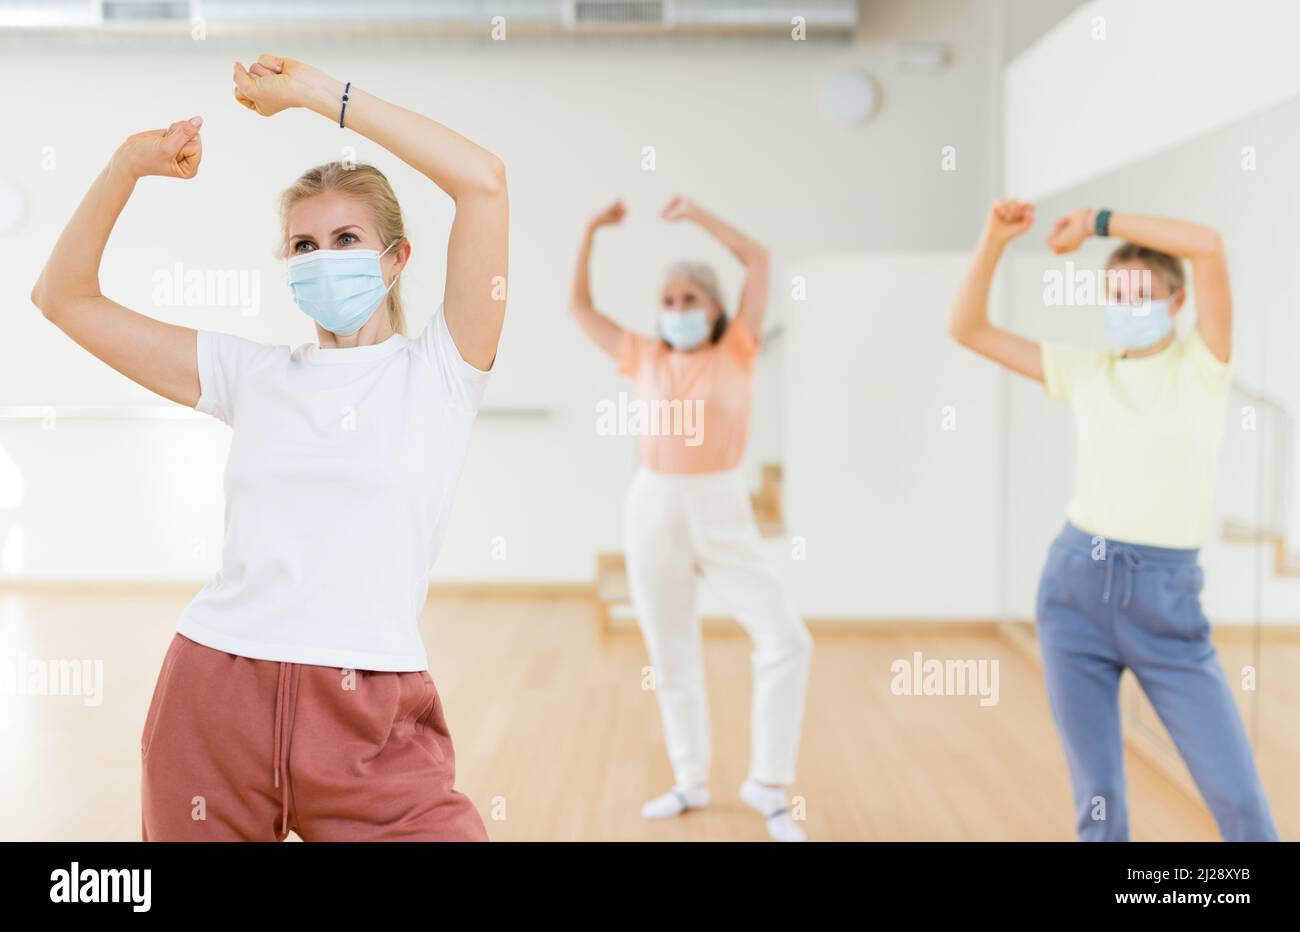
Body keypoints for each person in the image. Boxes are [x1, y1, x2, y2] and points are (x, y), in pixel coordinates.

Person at [29, 53, 508, 840]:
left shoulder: (444, 372)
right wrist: (127, 165)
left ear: (396, 260)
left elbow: (484, 180)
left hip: (372, 725)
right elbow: (64, 297)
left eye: (346, 237)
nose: (323, 259)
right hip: (214, 703)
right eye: (304, 247)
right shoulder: (250, 375)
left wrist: (320, 97)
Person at [947, 199, 1277, 841]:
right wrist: (992, 239)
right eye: (1115, 292)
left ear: (1177, 303)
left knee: (1239, 802)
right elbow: (968, 329)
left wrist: (1101, 224)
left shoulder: (1204, 365)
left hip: (1165, 604)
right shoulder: (1086, 371)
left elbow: (1207, 241)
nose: (1127, 305)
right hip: (1073, 593)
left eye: (1141, 291)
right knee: (1097, 801)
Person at [570, 195, 813, 842]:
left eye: (689, 300)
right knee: (671, 655)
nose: (677, 311)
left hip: (722, 504)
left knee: (787, 639)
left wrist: (699, 215)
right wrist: (590, 233)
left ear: (714, 307)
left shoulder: (738, 347)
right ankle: (690, 779)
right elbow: (579, 310)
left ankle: (767, 782)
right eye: (668, 301)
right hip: (654, 505)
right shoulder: (643, 355)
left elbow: (758, 260)